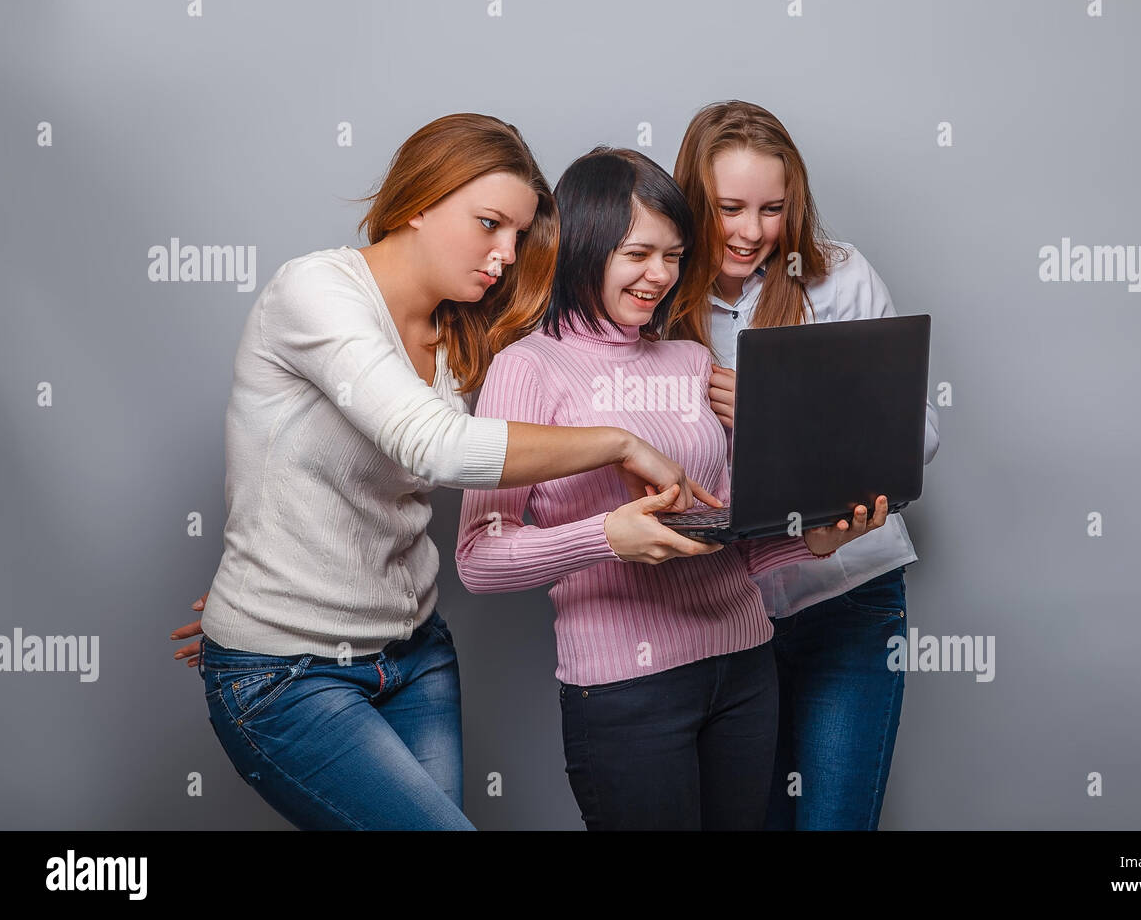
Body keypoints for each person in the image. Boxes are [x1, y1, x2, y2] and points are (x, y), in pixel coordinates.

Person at [177, 114, 719, 830]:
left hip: (416, 656)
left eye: (519, 236)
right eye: (489, 223)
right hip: (290, 674)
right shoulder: (315, 292)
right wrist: (618, 443)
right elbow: (434, 447)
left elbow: (590, 362)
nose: (504, 254)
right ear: (416, 203)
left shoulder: (463, 331)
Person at [454, 146, 887, 830]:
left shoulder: (691, 359)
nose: (661, 276)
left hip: (745, 666)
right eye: (639, 254)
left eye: (676, 255)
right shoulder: (527, 368)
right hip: (627, 689)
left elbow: (726, 535)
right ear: (584, 247)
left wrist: (814, 538)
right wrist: (606, 536)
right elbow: (479, 558)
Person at [668, 100, 941, 830]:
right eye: (729, 208)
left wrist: (778, 412)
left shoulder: (840, 278)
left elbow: (916, 432)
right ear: (694, 203)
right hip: (721, 614)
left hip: (847, 598)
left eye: (772, 209)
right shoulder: (654, 295)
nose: (752, 232)